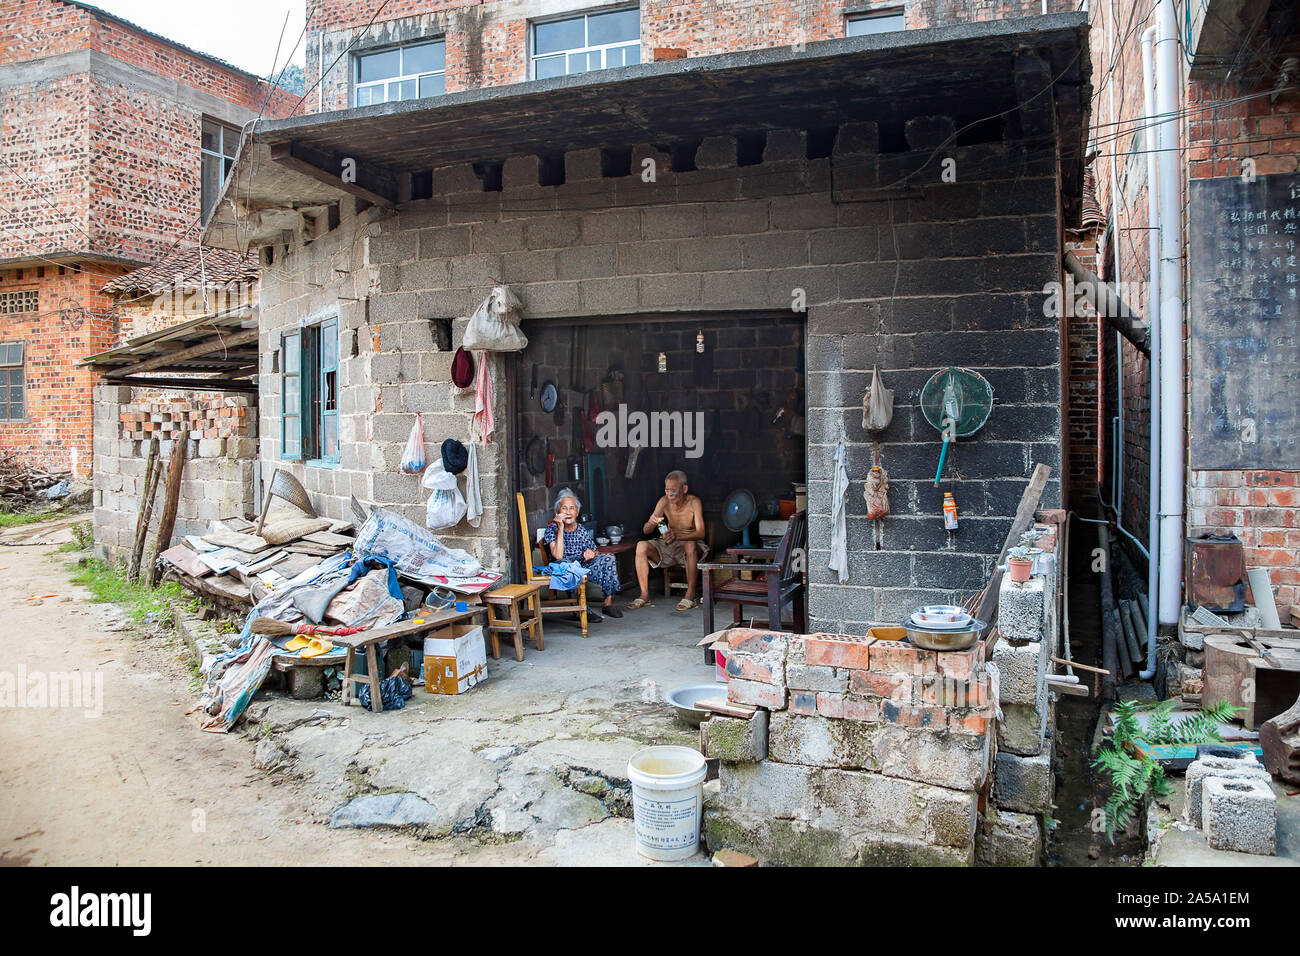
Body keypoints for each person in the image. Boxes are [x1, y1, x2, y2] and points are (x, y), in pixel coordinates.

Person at [626, 470, 708, 612]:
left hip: (691, 545)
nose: (669, 494)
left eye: (673, 490)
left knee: (689, 545)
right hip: (669, 545)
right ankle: (644, 595)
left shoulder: (694, 502)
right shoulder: (664, 501)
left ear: (684, 489)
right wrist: (651, 524)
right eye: (667, 489)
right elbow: (646, 531)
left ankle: (690, 595)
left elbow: (701, 533)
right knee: (641, 546)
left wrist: (678, 537)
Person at [542, 488, 622, 618]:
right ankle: (580, 609)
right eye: (564, 508)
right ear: (557, 512)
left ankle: (608, 604)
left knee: (608, 558)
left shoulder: (580, 530)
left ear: (577, 512)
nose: (568, 512)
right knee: (570, 566)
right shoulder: (552, 529)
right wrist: (560, 529)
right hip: (563, 567)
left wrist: (592, 553)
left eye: (572, 508)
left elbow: (595, 550)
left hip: (582, 565)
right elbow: (558, 556)